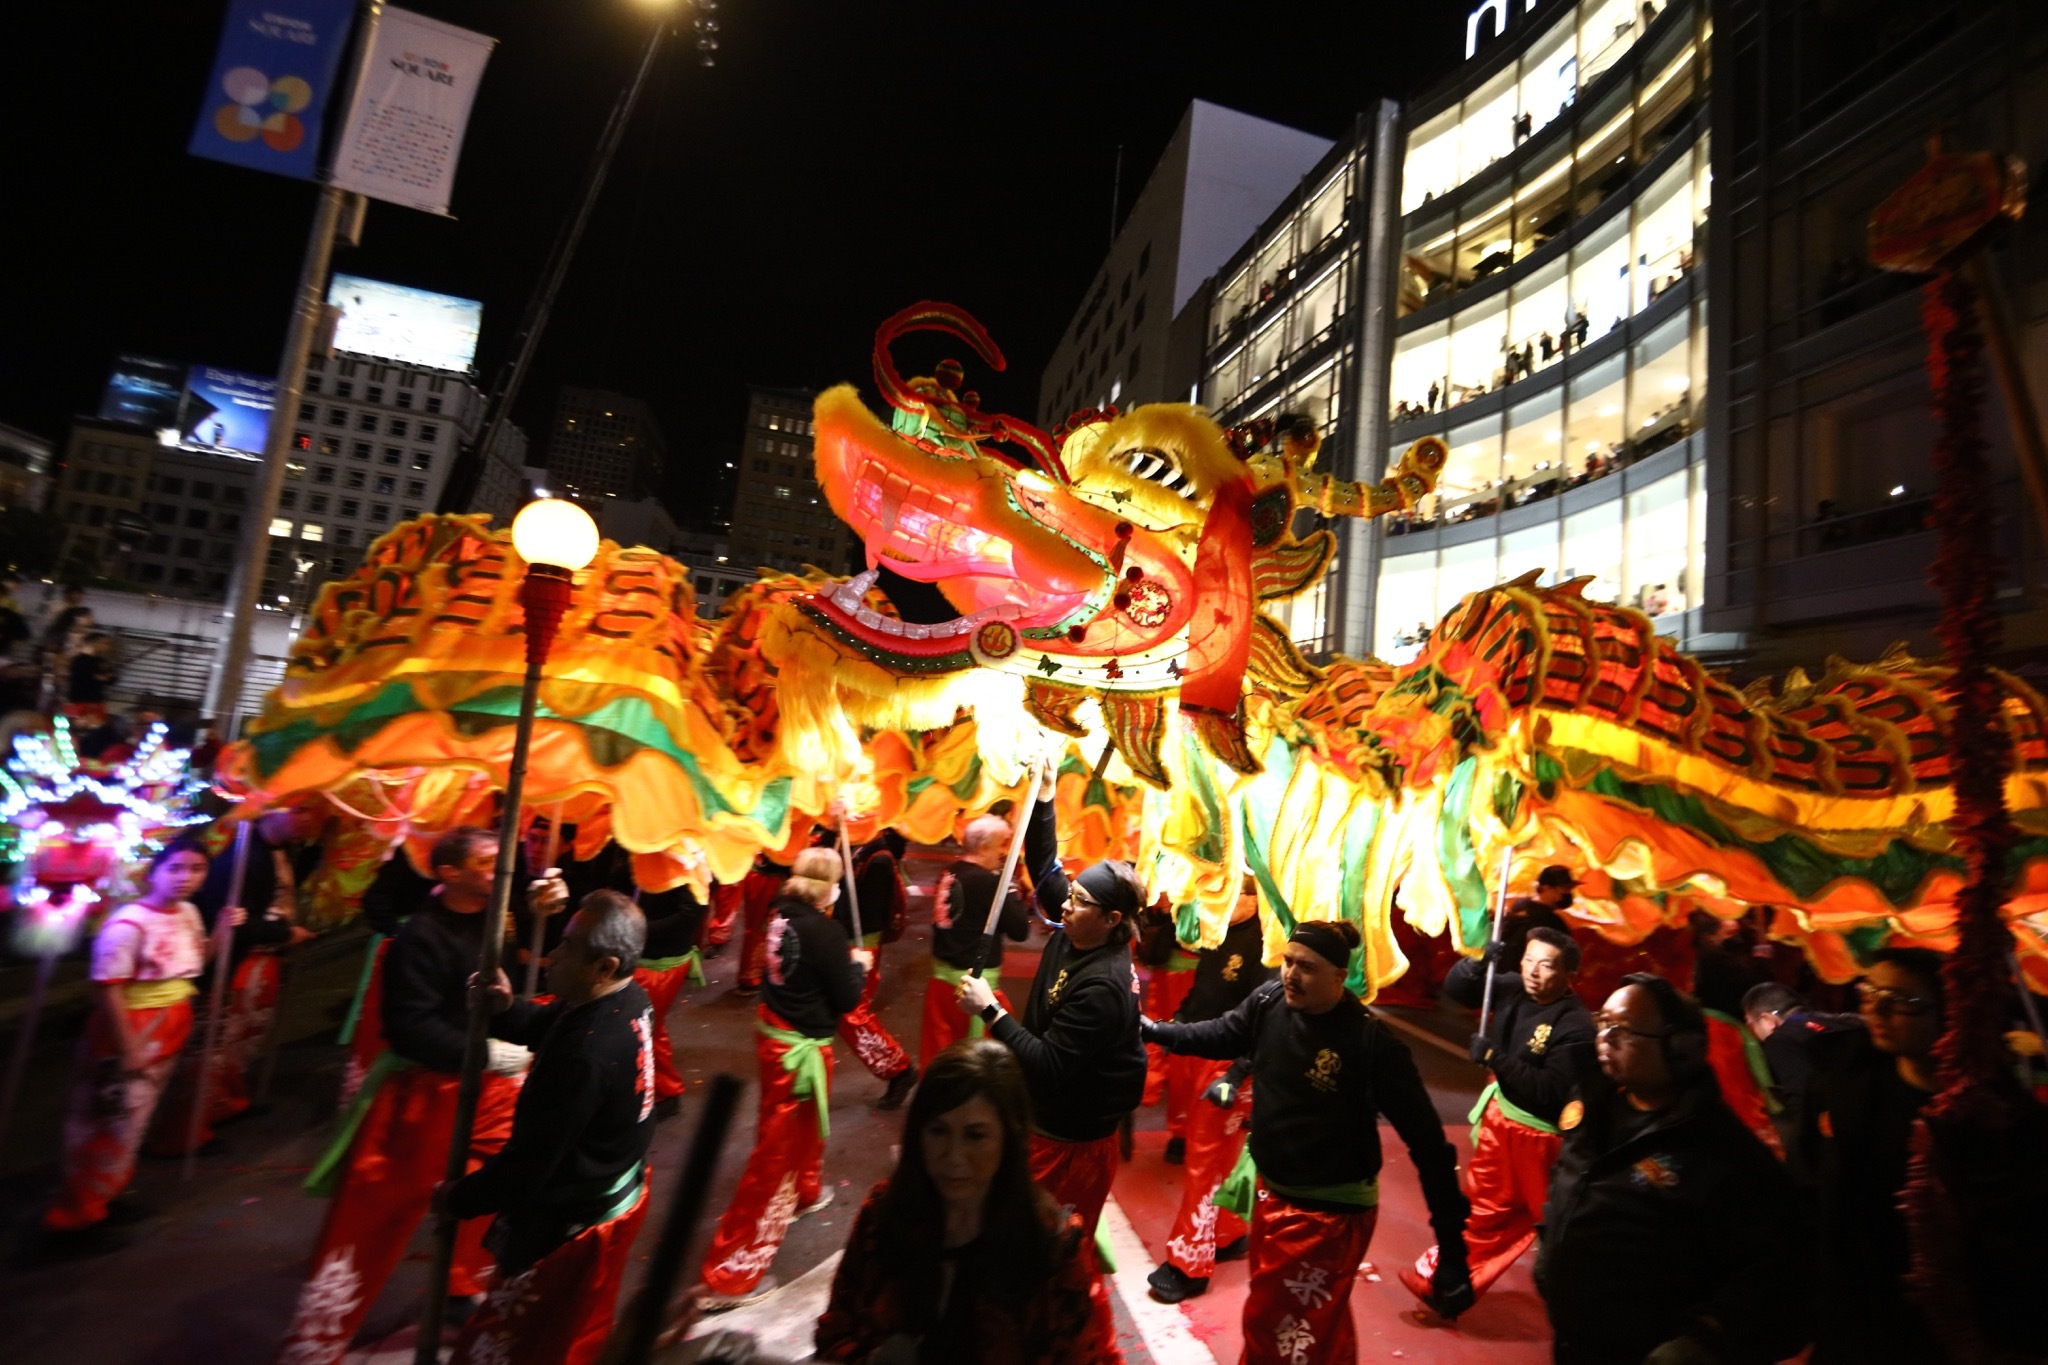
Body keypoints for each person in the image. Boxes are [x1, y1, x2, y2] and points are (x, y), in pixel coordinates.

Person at [275, 826, 565, 1364]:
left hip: (490, 1093)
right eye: (485, 861)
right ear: (448, 873)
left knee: (498, 1183)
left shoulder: (497, 915)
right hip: (426, 1093)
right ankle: (316, 1341)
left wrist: (542, 909)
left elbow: (525, 965)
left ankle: (461, 1284)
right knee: (375, 1215)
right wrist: (485, 1054)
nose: (498, 869)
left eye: (502, 860)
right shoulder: (420, 937)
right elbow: (410, 1028)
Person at [1143, 920, 1474, 1364]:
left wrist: (1452, 1250)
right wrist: (1155, 1030)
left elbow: (1430, 1147)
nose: (1291, 975)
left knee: (1277, 1322)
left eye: (1308, 968)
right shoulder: (1270, 1001)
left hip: (1330, 1214)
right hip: (1274, 1193)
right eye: (1288, 961)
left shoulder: (1371, 1043)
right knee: (1308, 1321)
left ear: (1340, 977)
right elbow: (1222, 1032)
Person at [1536, 974, 1809, 1363]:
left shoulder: (1726, 1153)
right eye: (1603, 1022)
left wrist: (1704, 1340)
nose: (1605, 1038)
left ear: (1680, 1049)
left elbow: (1779, 1276)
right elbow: (1569, 1183)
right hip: (1574, 1344)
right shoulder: (1592, 1105)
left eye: (1623, 1030)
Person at [437, 892, 657, 1365]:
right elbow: (549, 1022)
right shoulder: (622, 998)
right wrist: (504, 1006)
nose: (553, 957)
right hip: (603, 1184)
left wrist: (457, 1198)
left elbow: (529, 1164)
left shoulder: (585, 1056)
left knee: (526, 1340)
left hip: (571, 1218)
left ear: (605, 966)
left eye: (569, 948)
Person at [813, 1040, 1122, 1363]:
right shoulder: (884, 1217)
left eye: (975, 1136)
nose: (954, 1157)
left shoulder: (1050, 1244)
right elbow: (835, 1335)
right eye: (938, 1131)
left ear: (1010, 1137)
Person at [956, 832, 1146, 1247]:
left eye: (1078, 901)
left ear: (1112, 919)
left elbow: (1047, 1064)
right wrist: (1045, 794)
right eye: (1072, 892)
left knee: (1047, 1251)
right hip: (1044, 1120)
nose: (1065, 905)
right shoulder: (1078, 929)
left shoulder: (1102, 987)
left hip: (1071, 1141)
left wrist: (991, 1010)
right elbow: (1045, 871)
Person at [699, 846, 871, 1306]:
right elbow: (847, 997)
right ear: (828, 885)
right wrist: (857, 967)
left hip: (778, 1034)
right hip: (799, 1050)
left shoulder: (782, 910)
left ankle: (805, 1191)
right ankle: (730, 1272)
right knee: (774, 1154)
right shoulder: (825, 931)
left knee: (800, 1133)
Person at [1403, 924, 1595, 1313]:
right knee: (1485, 1212)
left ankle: (1585, 1298)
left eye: (1545, 966)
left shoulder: (1575, 1026)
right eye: (1527, 960)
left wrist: (1494, 1059)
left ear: (1568, 975)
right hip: (1502, 1123)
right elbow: (1458, 991)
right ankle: (1449, 1284)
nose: (1532, 972)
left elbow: (1550, 1090)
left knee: (1554, 1223)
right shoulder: (1511, 987)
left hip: (1538, 1140)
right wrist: (1475, 964)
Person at [44, 840, 226, 1238]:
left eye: (196, 869)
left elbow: (193, 967)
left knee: (135, 1120)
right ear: (153, 872)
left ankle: (104, 1196)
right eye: (175, 868)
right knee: (108, 1118)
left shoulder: (190, 912)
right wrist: (128, 1048)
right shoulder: (127, 924)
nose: (186, 878)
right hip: (134, 1026)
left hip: (172, 1020)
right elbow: (108, 989)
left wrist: (223, 932)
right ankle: (74, 1214)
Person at [150, 803, 324, 1154]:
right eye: (300, 809)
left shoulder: (284, 849)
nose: (310, 817)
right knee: (213, 1045)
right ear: (269, 811)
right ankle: (183, 1133)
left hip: (260, 964)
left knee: (237, 1044)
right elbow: (237, 924)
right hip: (237, 968)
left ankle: (222, 1105)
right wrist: (286, 934)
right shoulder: (244, 860)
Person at [1803, 949, 1945, 1360]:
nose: (1878, 1010)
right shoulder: (1843, 1082)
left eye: (1902, 1000)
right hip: (1853, 1300)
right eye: (1871, 993)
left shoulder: (1982, 1110)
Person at [1146, 875, 1275, 1303]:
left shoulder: (1265, 946)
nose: (1224, 898)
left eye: (1236, 892)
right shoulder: (1219, 931)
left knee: (1206, 1165)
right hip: (1205, 1053)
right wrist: (1176, 1024)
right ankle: (1227, 1232)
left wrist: (1237, 1075)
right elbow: (1204, 991)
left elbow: (1264, 1023)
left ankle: (1190, 1264)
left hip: (1229, 1067)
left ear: (1256, 901)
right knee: (1219, 1159)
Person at [923, 810, 1037, 1068]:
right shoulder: (988, 882)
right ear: (984, 846)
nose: (1003, 853)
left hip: (941, 981)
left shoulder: (949, 871)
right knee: (982, 1061)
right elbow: (1020, 930)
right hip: (975, 985)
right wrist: (1009, 887)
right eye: (1001, 845)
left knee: (944, 1056)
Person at [835, 829, 917, 1110]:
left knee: (852, 1013)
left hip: (858, 943)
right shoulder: (863, 846)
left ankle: (899, 1069)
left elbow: (867, 910)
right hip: (848, 940)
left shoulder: (879, 857)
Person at [1742, 979, 1861, 1162]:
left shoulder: (1781, 1039)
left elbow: (1802, 1097)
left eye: (1751, 1025)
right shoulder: (1846, 1021)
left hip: (1837, 1143)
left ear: (1767, 1020)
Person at [1501, 864, 1575, 966]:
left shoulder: (1521, 905)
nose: (1567, 893)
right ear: (1546, 888)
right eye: (1564, 888)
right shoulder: (1552, 922)